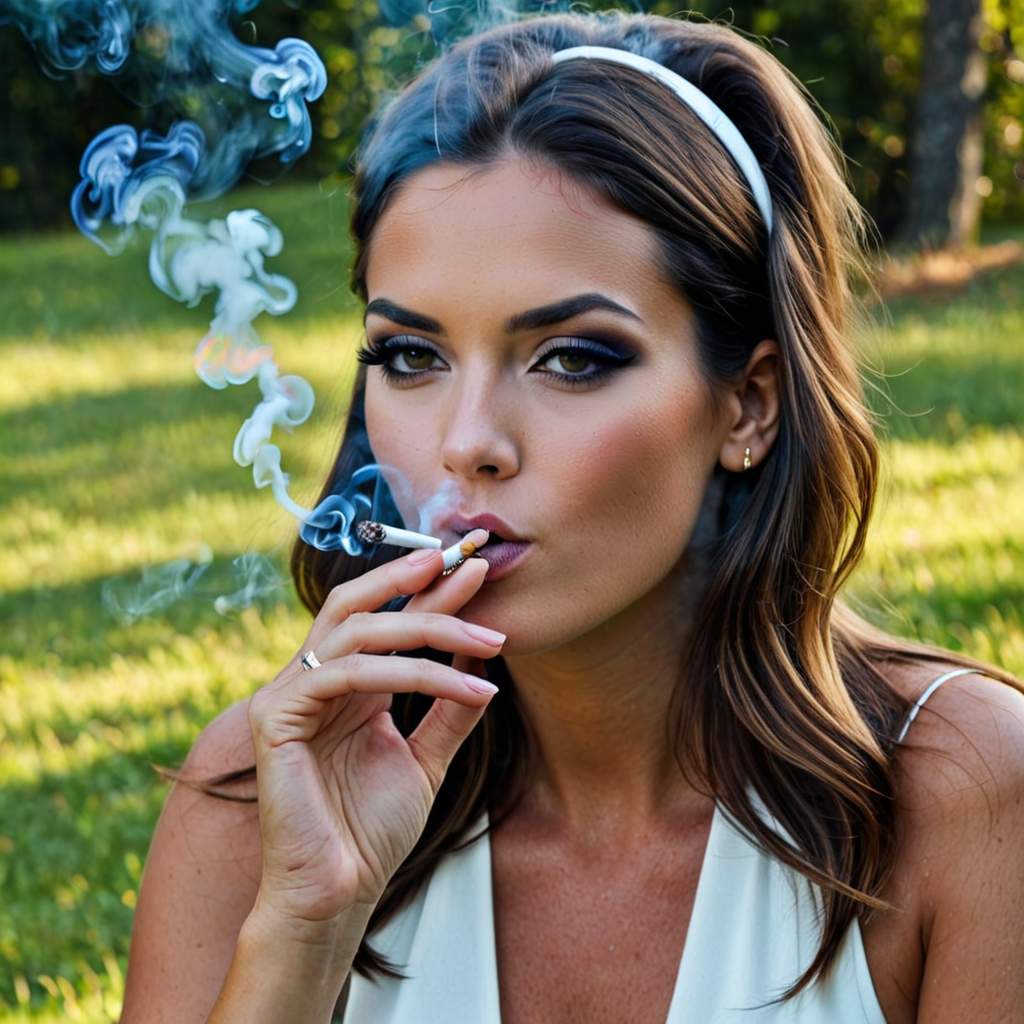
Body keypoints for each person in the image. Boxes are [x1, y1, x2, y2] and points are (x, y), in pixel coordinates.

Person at [119, 12, 1024, 1024]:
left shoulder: (965, 797)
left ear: (748, 404)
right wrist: (302, 926)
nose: (468, 443)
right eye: (412, 356)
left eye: (571, 358)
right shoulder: (257, 803)